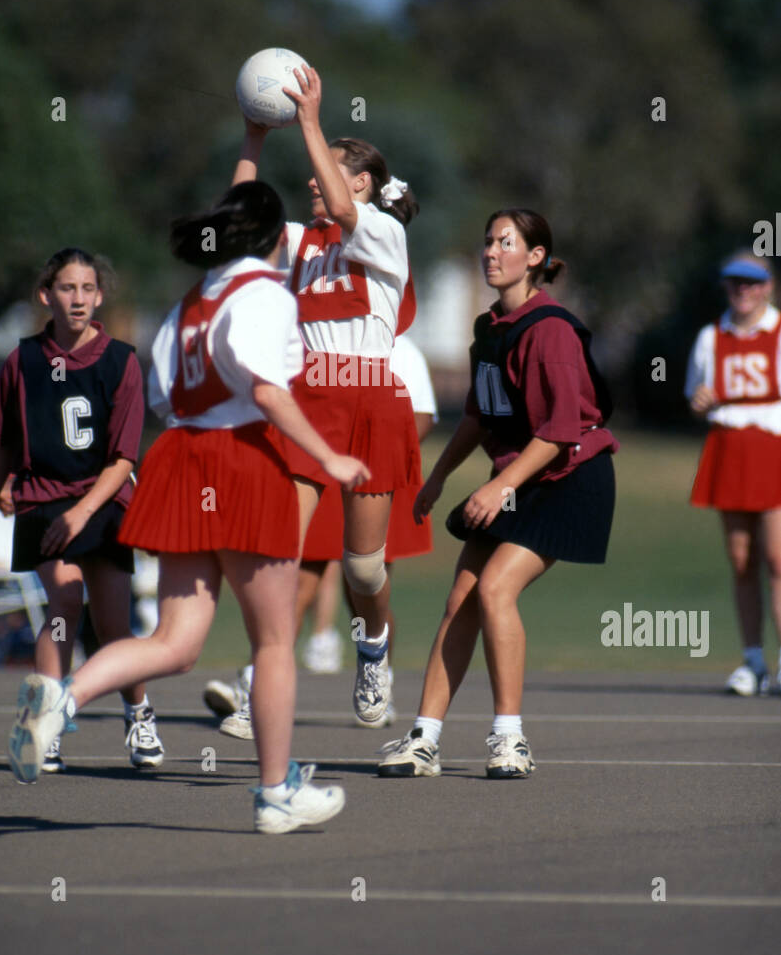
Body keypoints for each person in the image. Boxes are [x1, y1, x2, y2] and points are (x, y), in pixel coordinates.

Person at [5, 183, 370, 834]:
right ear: (271, 238)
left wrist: (254, 138)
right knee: (276, 640)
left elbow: (167, 397)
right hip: (243, 458)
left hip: (181, 457)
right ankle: (275, 793)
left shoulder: (193, 301)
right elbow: (264, 387)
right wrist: (330, 458)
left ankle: (64, 698)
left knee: (173, 643)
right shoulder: (264, 295)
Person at [378, 209, 618, 779]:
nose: (491, 252)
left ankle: (509, 740)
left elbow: (560, 432)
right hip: (519, 478)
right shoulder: (490, 329)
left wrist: (499, 486)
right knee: (460, 600)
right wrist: (436, 478)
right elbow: (480, 418)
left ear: (535, 257)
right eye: (486, 241)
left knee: (494, 588)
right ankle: (423, 740)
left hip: (570, 478)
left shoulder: (551, 328)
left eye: (505, 243)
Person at [232, 65, 421, 727]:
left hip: (370, 397)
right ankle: (259, 673)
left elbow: (342, 208)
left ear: (363, 182)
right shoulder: (296, 242)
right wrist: (254, 139)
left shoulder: (381, 232)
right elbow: (236, 218)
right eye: (311, 168)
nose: (312, 178)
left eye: (329, 168)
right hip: (309, 400)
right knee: (279, 546)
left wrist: (309, 119)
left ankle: (373, 650)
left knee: (363, 571)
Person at [0, 248, 164, 771]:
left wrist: (83, 513)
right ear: (46, 295)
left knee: (115, 625)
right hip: (44, 500)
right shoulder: (22, 361)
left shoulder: (121, 361)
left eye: (87, 289)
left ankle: (139, 713)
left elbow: (124, 458)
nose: (77, 299)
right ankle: (46, 720)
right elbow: (6, 445)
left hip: (104, 498)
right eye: (67, 289)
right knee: (64, 606)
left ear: (99, 297)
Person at [203, 331, 437, 734]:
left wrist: (378, 458)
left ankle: (382, 677)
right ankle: (256, 682)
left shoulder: (398, 348)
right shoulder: (310, 341)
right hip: (319, 469)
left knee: (362, 580)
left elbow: (424, 415)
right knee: (291, 577)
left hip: (370, 474)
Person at [686, 249, 781, 696]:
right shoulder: (711, 336)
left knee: (777, 559)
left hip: (772, 448)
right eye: (735, 282)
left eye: (752, 282)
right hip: (729, 448)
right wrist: (702, 402)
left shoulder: (779, 331)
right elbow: (695, 395)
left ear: (767, 286)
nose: (743, 290)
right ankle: (753, 661)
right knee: (741, 561)